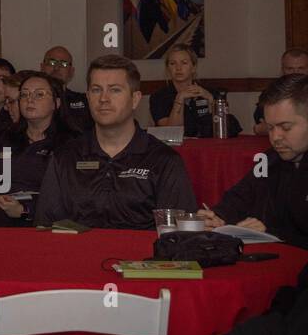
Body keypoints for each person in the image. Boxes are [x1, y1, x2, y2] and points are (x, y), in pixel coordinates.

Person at [35, 54, 196, 230]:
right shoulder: (65, 158)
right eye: (96, 90)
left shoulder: (164, 161)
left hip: (144, 257)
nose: (103, 99)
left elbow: (180, 239)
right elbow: (44, 229)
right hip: (77, 255)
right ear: (88, 97)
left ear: (135, 99)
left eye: (115, 90)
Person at [198, 74, 308, 249]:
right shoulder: (270, 159)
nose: (275, 137)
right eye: (270, 128)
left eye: (286, 127)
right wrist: (218, 216)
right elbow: (242, 196)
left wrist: (272, 234)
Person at [0, 71, 75, 228]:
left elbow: (71, 200)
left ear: (56, 103)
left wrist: (24, 210)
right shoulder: (4, 136)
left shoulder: (70, 144)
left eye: (39, 94)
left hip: (35, 221)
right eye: (24, 95)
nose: (30, 99)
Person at [149, 45, 240, 137]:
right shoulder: (158, 97)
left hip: (208, 146)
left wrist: (211, 99)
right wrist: (179, 98)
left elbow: (227, 127)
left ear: (193, 67)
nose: (178, 68)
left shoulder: (209, 92)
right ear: (168, 69)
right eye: (173, 63)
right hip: (175, 149)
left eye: (184, 63)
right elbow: (171, 133)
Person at [255, 49, 308, 135]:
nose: (295, 72)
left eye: (301, 68)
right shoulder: (272, 91)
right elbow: (259, 121)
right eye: (290, 68)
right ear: (282, 70)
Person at [42, 45, 92, 132]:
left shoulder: (84, 101)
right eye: (52, 62)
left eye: (63, 64)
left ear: (71, 72)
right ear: (42, 67)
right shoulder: (30, 99)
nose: (56, 68)